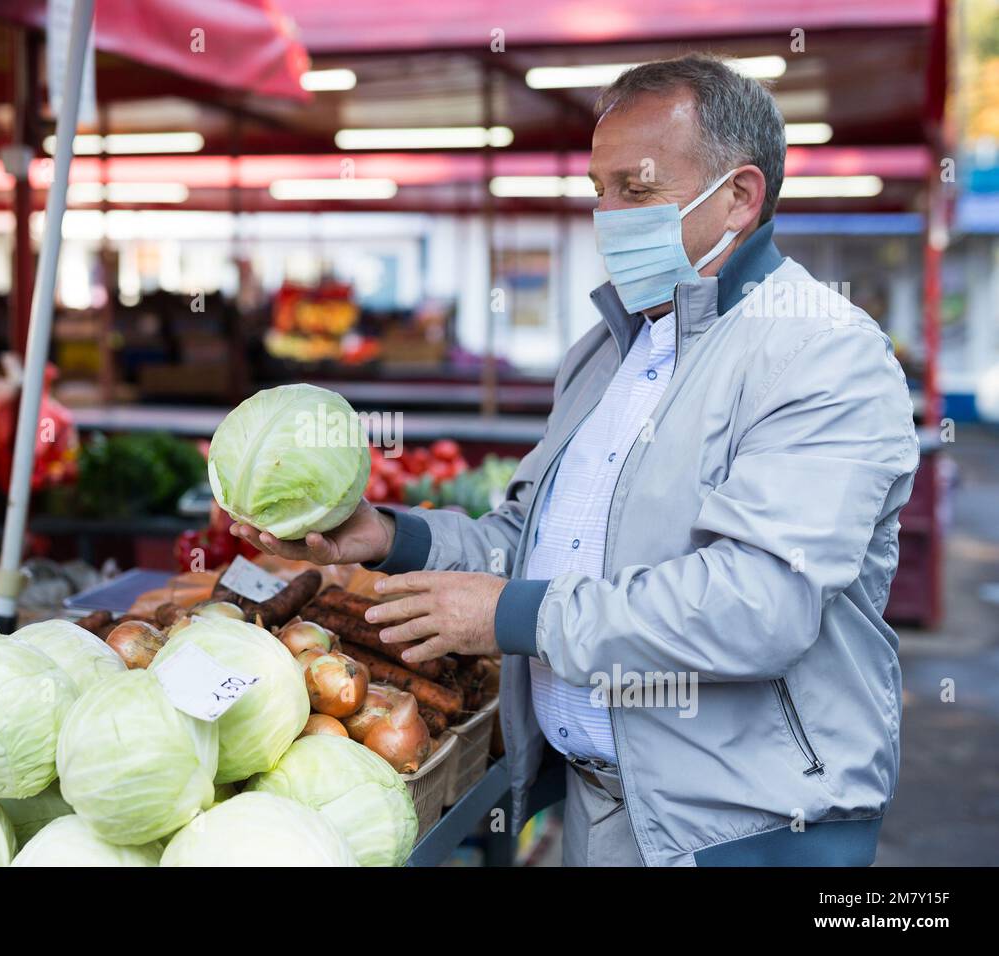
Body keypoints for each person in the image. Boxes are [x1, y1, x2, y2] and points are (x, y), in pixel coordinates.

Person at [234, 54, 919, 867]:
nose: (608, 216)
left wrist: (512, 617)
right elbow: (537, 543)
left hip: (746, 829)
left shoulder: (820, 354)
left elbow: (757, 604)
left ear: (739, 196)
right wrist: (388, 536)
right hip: (600, 811)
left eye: (637, 189)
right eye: (598, 191)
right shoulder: (611, 348)